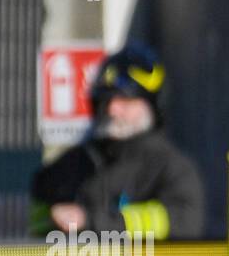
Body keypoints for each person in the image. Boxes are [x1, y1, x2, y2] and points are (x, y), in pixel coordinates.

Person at [31, 43, 204, 239]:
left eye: (125, 101)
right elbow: (35, 228)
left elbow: (184, 223)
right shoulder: (70, 165)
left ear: (152, 106)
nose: (113, 110)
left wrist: (92, 221)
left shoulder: (172, 168)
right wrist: (53, 219)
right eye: (106, 100)